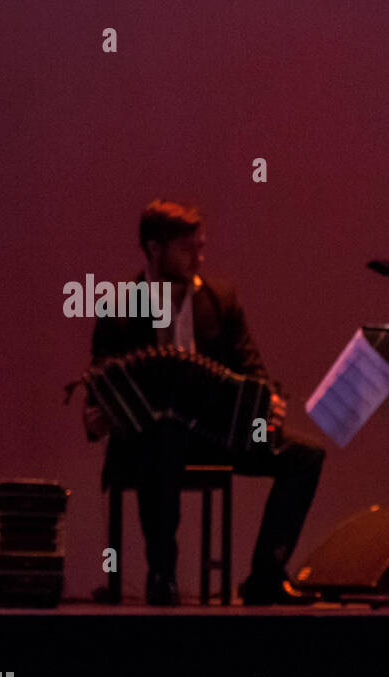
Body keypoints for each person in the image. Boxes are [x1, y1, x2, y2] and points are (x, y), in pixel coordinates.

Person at [84, 200, 325, 606]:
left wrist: (268, 405)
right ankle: (162, 574)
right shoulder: (118, 306)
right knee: (164, 437)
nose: (199, 257)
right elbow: (101, 382)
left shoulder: (221, 299)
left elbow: (253, 370)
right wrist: (95, 418)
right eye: (188, 248)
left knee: (306, 456)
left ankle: (266, 573)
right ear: (155, 249)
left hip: (217, 434)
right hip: (146, 443)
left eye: (201, 246)